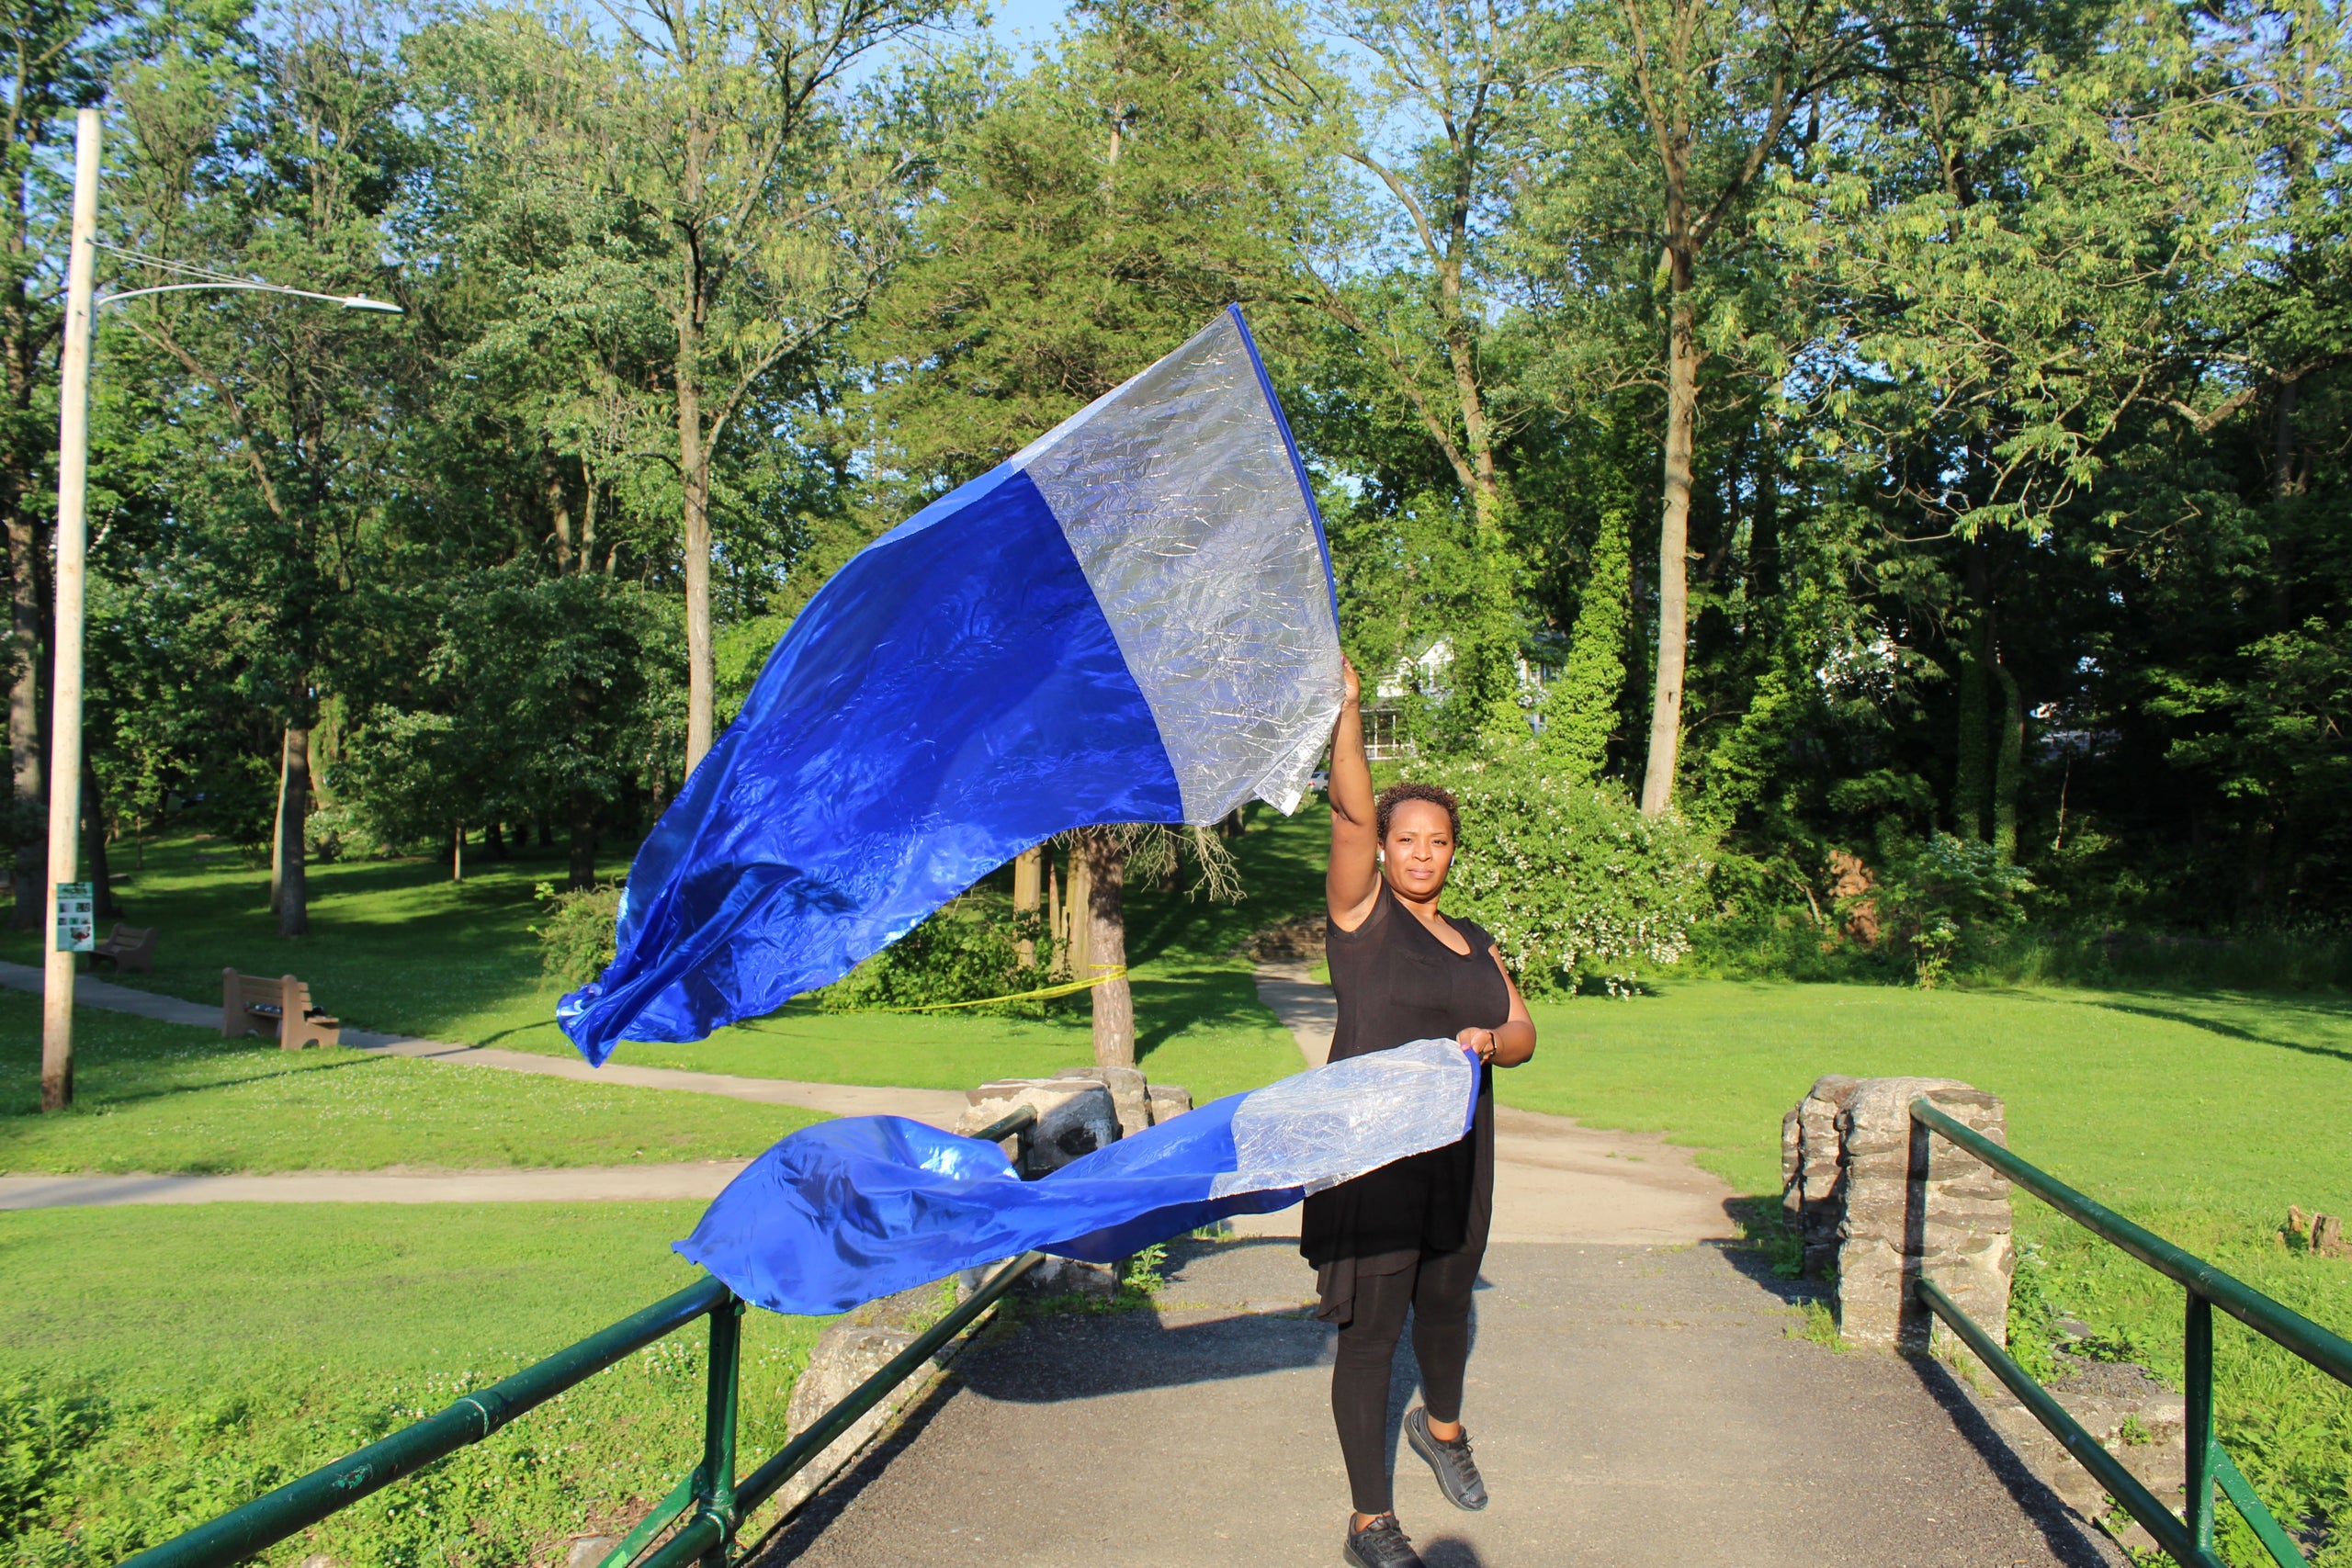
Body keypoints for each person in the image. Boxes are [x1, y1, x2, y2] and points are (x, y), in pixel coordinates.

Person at [1309, 656, 1537, 1568]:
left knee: (1446, 1303)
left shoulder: (1475, 939)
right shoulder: (1362, 919)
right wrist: (1348, 713)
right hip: (1371, 1158)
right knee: (1371, 1336)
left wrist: (1487, 1037)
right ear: (1386, 848)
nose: (1418, 852)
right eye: (1405, 839)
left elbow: (1522, 1031)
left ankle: (1440, 1429)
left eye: (1436, 841)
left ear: (1450, 852)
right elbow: (1350, 815)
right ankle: (1369, 1521)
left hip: (1457, 1155)